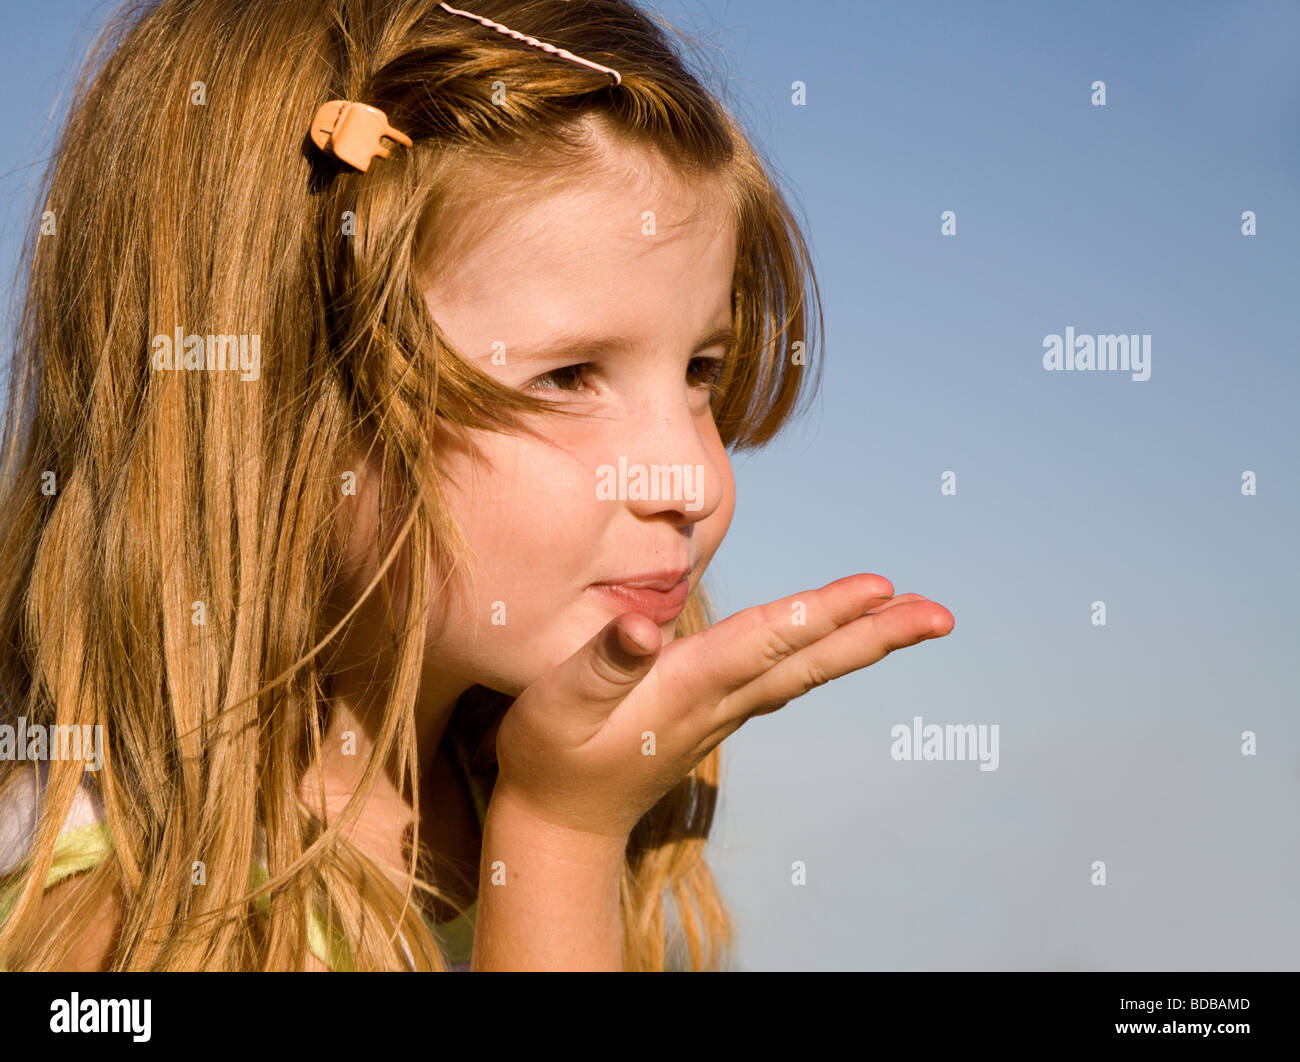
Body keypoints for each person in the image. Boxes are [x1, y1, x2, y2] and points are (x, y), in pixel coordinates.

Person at [0, 0, 953, 972]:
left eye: (700, 371)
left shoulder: (524, 771)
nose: (694, 480)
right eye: (568, 376)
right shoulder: (118, 927)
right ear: (278, 395)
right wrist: (559, 845)